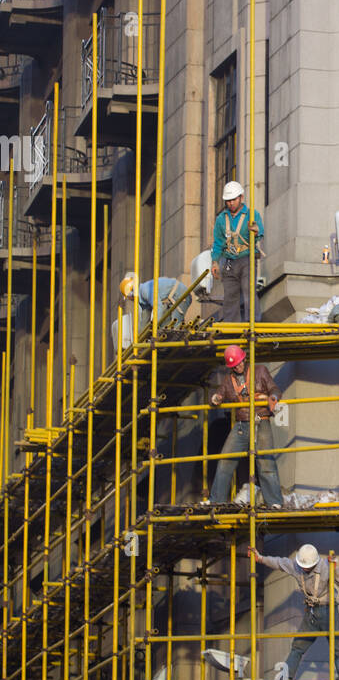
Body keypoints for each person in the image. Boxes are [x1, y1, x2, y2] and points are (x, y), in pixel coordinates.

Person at [249, 542, 339, 680]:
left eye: (308, 567)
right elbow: (279, 562)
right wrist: (260, 558)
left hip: (328, 610)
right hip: (311, 612)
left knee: (337, 647)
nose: (304, 569)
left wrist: (335, 568)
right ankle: (285, 679)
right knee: (298, 646)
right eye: (303, 566)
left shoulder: (326, 566)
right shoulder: (296, 566)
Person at [202, 344, 283, 508]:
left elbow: (274, 388)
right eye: (234, 365)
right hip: (242, 423)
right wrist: (216, 398)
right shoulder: (228, 380)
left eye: (239, 362)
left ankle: (274, 502)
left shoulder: (259, 371)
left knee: (265, 461)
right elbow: (219, 394)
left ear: (244, 358)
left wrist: (273, 397)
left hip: (261, 418)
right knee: (225, 459)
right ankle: (216, 500)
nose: (238, 366)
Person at [211, 180, 264, 322]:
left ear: (241, 197)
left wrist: (256, 230)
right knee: (230, 294)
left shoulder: (251, 215)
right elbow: (218, 243)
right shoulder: (222, 219)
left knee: (248, 291)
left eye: (233, 200)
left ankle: (252, 323)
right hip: (228, 260)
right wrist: (215, 262)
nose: (231, 203)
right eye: (228, 201)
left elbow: (260, 233)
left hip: (246, 258)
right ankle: (231, 326)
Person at [120, 272, 191, 329]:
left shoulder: (145, 291)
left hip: (180, 294)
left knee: (175, 326)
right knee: (164, 326)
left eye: (128, 297)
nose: (129, 300)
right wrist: (139, 336)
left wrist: (154, 328)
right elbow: (145, 318)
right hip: (172, 299)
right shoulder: (142, 299)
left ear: (131, 294)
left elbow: (158, 308)